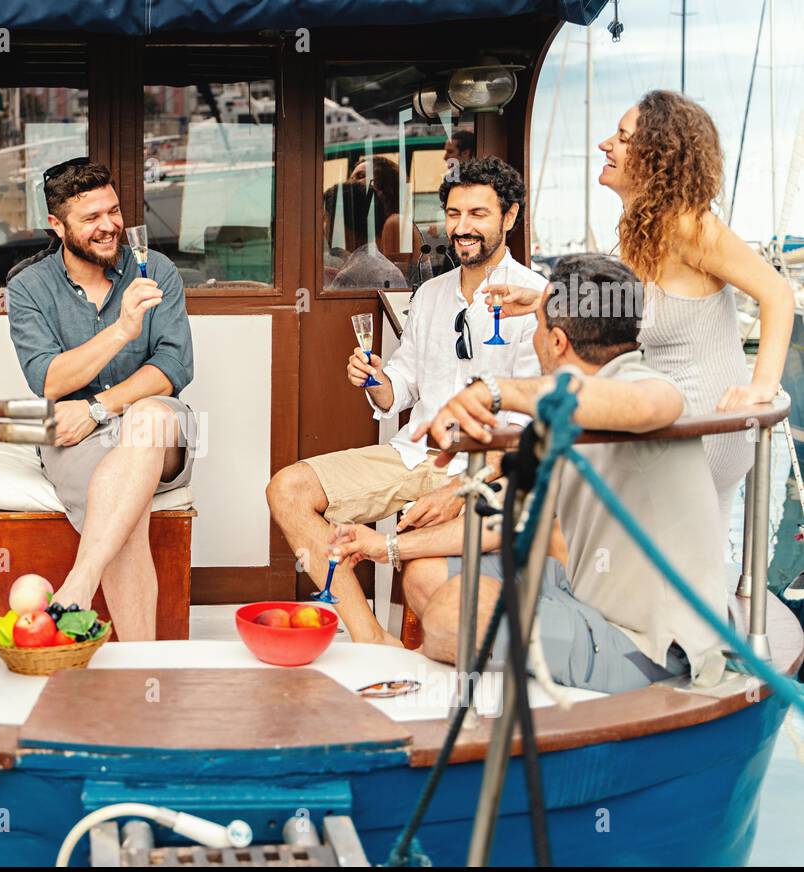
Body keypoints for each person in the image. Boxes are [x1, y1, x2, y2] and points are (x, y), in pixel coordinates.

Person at [333, 254, 728, 692]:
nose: (534, 335)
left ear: (557, 342)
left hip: (650, 645)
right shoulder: (572, 407)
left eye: (537, 324)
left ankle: (479, 674)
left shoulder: (645, 385)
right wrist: (385, 545)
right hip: (586, 593)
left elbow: (652, 404)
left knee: (453, 613)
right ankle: (504, 659)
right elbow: (498, 518)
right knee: (426, 575)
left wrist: (497, 390)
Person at [267, 157, 544, 643]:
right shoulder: (432, 293)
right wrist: (373, 379)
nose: (462, 228)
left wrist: (457, 494)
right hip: (415, 452)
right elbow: (402, 387)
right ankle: (370, 636)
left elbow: (529, 427)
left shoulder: (535, 299)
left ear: (511, 216)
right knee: (287, 489)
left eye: (478, 214)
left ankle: (461, 651)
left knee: (425, 573)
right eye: (454, 214)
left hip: (485, 468)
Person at [490, 90, 794, 532]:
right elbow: (622, 307)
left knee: (567, 501)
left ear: (656, 157)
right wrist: (539, 301)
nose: (605, 145)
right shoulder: (643, 229)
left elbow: (778, 293)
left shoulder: (690, 226)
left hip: (704, 425)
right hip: (669, 418)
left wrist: (762, 385)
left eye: (623, 137)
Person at [7, 159, 195, 641]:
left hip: (145, 422)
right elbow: (47, 379)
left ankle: (78, 583)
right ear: (57, 225)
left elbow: (174, 368)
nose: (110, 225)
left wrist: (97, 407)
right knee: (122, 509)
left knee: (148, 417)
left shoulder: (157, 271)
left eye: (113, 211)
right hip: (71, 437)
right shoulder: (28, 287)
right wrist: (122, 331)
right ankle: (142, 666)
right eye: (91, 218)